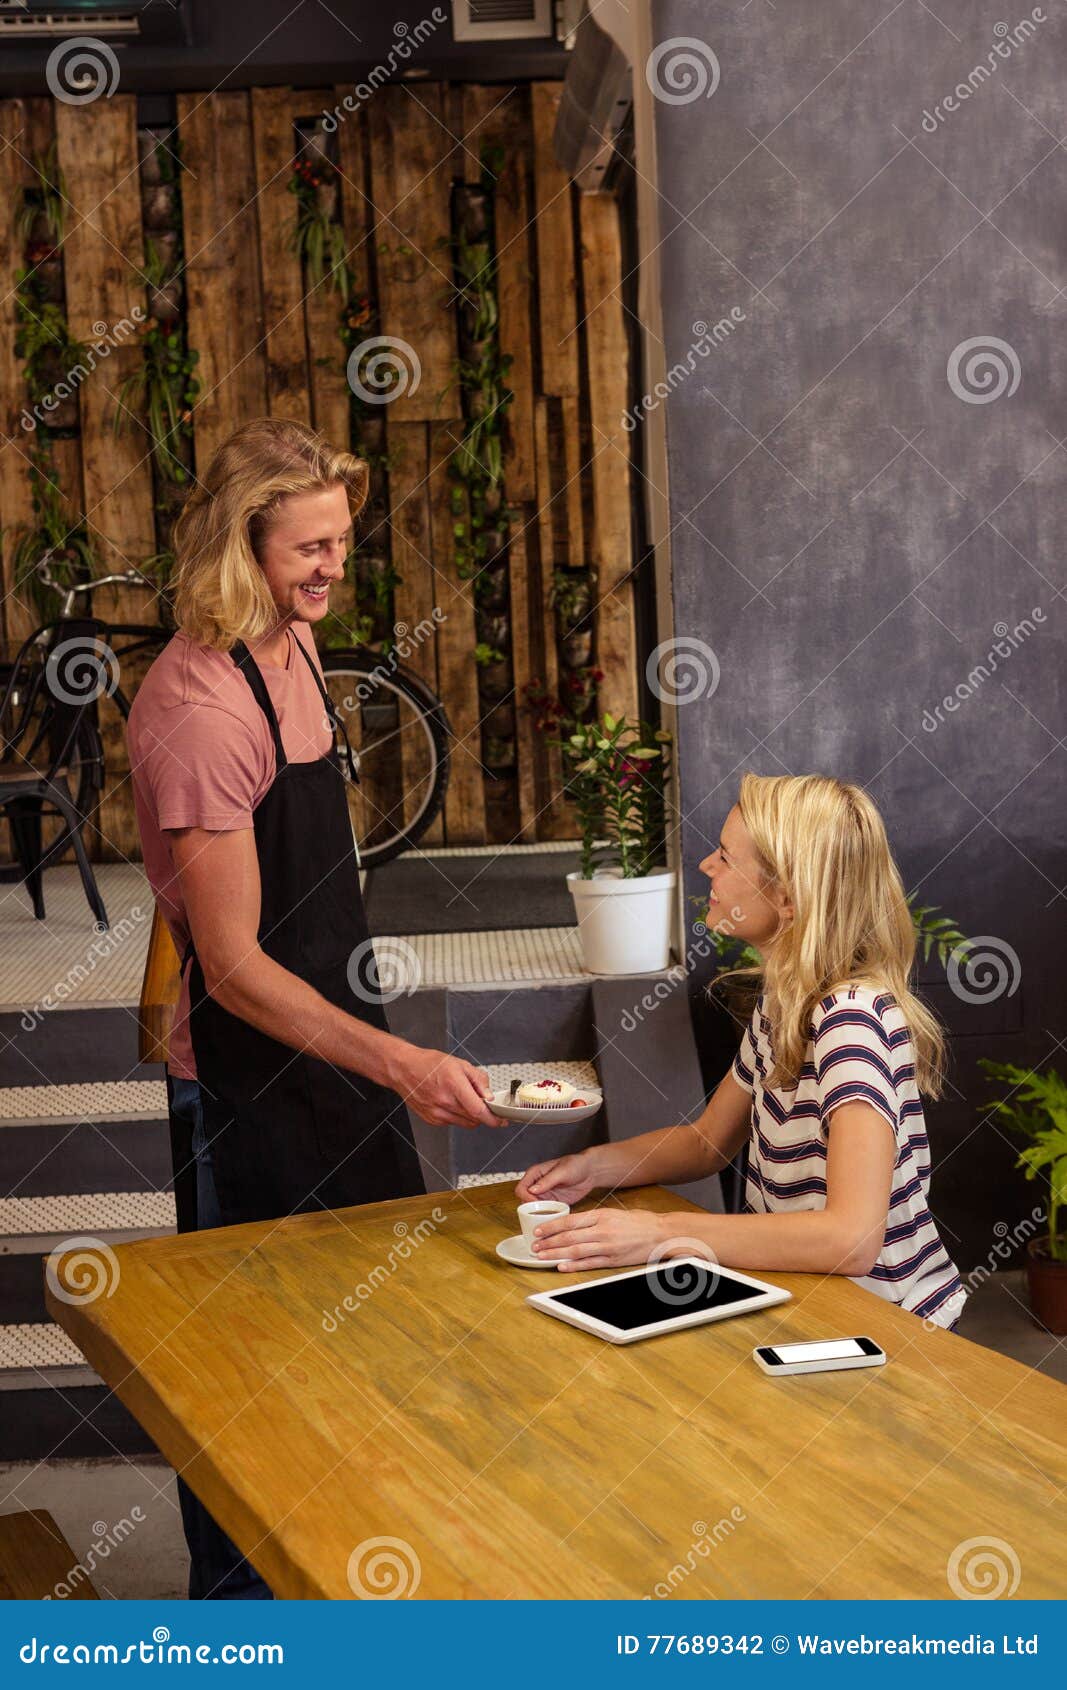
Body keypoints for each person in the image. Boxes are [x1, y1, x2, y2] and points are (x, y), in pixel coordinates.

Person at [128, 418, 498, 1598]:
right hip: (244, 1081)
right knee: (251, 1383)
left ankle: (364, 1600)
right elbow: (232, 965)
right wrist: (400, 1061)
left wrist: (373, 1058)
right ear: (242, 547)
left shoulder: (290, 648)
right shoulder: (201, 712)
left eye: (342, 539)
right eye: (310, 547)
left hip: (331, 1049)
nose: (334, 566)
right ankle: (238, 1624)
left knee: (379, 1346)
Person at [518, 772, 967, 1331]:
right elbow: (708, 1142)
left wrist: (661, 1234)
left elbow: (850, 1240)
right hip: (815, 1308)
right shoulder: (786, 1002)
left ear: (786, 898)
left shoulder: (850, 1023)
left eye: (727, 858)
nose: (707, 866)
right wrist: (593, 1168)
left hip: (891, 1332)